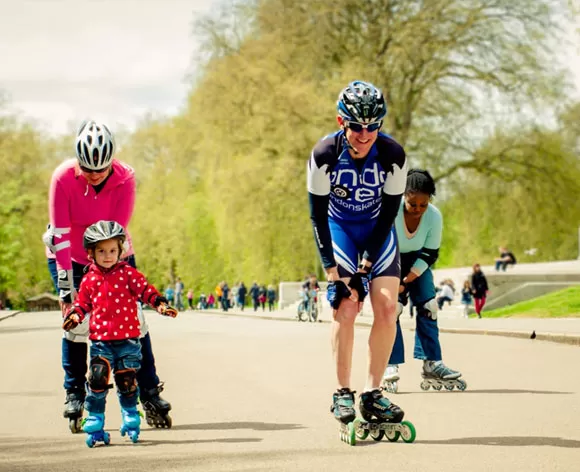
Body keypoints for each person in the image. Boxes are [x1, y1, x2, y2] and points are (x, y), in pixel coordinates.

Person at [43, 120, 174, 431]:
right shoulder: (62, 177)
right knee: (76, 323)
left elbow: (115, 232)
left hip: (113, 251)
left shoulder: (125, 177)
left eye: (101, 168)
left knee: (134, 324)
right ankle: (74, 393)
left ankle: (149, 392)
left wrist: (113, 267)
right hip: (68, 256)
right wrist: (66, 291)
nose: (95, 174)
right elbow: (59, 235)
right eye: (88, 168)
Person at [307, 80, 408, 425]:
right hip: (340, 230)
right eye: (356, 127)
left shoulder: (393, 155)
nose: (364, 135)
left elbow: (389, 214)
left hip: (376, 230)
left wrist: (366, 267)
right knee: (347, 307)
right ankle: (342, 392)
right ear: (341, 122)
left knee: (387, 306)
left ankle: (372, 394)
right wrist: (333, 275)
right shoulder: (324, 155)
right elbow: (317, 216)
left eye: (373, 127)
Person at [62, 221, 178, 445]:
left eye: (113, 250)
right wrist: (75, 316)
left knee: (126, 381)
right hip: (101, 342)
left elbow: (145, 290)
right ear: (91, 253)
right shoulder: (90, 279)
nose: (108, 256)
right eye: (102, 251)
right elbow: (83, 303)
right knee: (97, 379)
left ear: (121, 251)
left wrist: (160, 304)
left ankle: (130, 416)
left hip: (128, 341)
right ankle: (95, 419)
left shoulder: (128, 274)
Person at [382, 170, 465, 392]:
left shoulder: (434, 216)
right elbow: (380, 246)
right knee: (393, 309)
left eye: (423, 204)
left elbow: (430, 253)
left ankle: (432, 362)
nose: (418, 209)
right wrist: (396, 282)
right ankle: (390, 363)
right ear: (403, 197)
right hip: (390, 258)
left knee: (430, 306)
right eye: (412, 204)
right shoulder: (390, 210)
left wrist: (408, 279)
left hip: (419, 260)